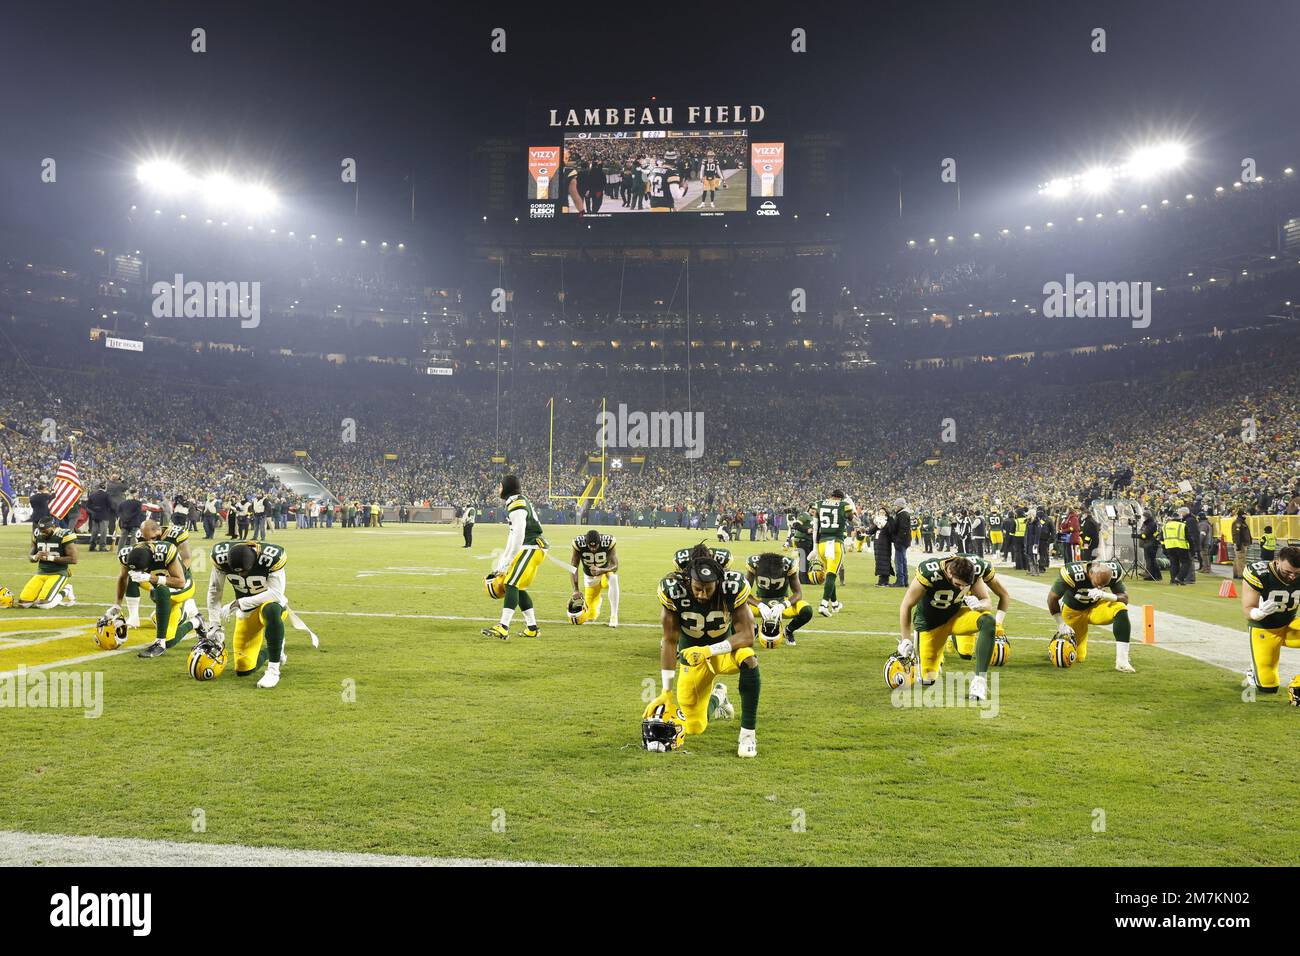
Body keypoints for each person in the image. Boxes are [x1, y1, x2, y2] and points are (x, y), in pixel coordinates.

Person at [643, 544, 760, 757]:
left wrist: (709, 650)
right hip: (693, 660)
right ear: (688, 581)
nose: (703, 594)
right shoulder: (673, 591)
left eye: (708, 589)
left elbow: (748, 636)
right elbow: (669, 641)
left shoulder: (732, 586)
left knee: (749, 660)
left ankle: (748, 735)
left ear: (718, 581)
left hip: (725, 651)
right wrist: (665, 691)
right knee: (695, 726)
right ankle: (718, 698)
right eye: (698, 588)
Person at [207, 540, 293, 689]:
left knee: (271, 609)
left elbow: (276, 594)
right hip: (246, 613)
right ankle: (276, 649)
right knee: (243, 668)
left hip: (270, 606)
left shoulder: (271, 557)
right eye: (237, 571)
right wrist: (214, 624)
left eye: (244, 571)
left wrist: (238, 603)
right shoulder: (221, 558)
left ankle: (273, 670)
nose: (241, 574)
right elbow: (215, 590)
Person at [481, 475, 547, 641]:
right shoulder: (514, 501)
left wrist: (508, 562)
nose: (499, 489)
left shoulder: (517, 504)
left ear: (508, 487)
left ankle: (503, 627)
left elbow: (519, 535)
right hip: (529, 547)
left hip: (531, 546)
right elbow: (512, 537)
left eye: (500, 486)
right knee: (518, 587)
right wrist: (503, 561)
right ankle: (532, 628)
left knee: (510, 582)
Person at [1047, 558, 1136, 672]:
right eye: (1098, 584)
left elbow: (1124, 598)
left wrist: (1104, 595)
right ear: (1090, 573)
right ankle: (1058, 643)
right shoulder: (1072, 573)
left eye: (1104, 584)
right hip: (1073, 612)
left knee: (1120, 609)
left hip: (1096, 607)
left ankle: (1122, 661)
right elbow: (1052, 598)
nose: (1100, 587)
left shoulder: (1113, 571)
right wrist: (1061, 623)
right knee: (1077, 657)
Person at [1241, 545, 1300, 704]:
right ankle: (1253, 672)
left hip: (1290, 624)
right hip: (1264, 628)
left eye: (1297, 573)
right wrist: (1258, 613)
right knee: (1268, 686)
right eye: (1288, 572)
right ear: (1277, 562)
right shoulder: (1260, 573)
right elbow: (1247, 608)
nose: (1292, 577)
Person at [12, 516, 77, 608]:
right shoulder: (37, 534)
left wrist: (50, 558)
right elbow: (31, 557)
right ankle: (43, 595)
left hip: (58, 572)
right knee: (23, 603)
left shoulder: (64, 534)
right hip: (41, 572)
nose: (43, 533)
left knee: (44, 605)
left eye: (45, 530)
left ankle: (67, 589)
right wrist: (35, 556)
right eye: (41, 530)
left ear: (53, 526)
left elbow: (73, 559)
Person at [568, 529, 620, 628]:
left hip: (605, 572)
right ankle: (597, 600)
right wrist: (575, 589)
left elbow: (615, 565)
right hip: (590, 578)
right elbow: (574, 566)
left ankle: (614, 615)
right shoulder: (578, 543)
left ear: (599, 542)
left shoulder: (608, 542)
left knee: (613, 578)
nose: (593, 549)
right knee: (590, 617)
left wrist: (601, 570)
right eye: (590, 546)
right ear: (586, 543)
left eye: (595, 546)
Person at [1162, 508, 1191, 586]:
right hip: (1181, 546)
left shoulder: (1165, 526)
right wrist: (1192, 547)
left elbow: (1162, 538)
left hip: (1169, 547)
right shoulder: (1182, 525)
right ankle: (1179, 578)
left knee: (1174, 564)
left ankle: (1173, 580)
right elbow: (1189, 537)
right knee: (1186, 563)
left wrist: (1163, 548)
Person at [891, 498, 912, 588]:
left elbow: (903, 530)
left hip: (901, 541)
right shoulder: (904, 514)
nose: (894, 507)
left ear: (899, 506)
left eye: (896, 505)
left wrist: (897, 541)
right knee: (903, 560)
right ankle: (905, 580)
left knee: (899, 561)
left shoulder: (902, 514)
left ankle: (900, 581)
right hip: (904, 541)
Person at [88, 482, 115, 552]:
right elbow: (110, 505)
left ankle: (92, 546)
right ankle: (102, 547)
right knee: (103, 532)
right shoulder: (106, 495)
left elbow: (88, 505)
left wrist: (95, 508)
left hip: (95, 515)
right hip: (104, 515)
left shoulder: (93, 494)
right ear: (105, 487)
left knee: (94, 532)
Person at [1138, 511, 1162, 581]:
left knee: (1150, 560)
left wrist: (1139, 535)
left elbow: (1146, 533)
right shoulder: (1149, 523)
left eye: (1144, 516)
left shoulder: (1151, 524)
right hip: (1148, 543)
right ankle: (1154, 575)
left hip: (1150, 543)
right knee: (1150, 560)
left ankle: (1151, 575)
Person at [1232, 512, 1252, 578]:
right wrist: (1238, 544)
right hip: (1241, 543)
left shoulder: (1241, 522)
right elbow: (1236, 534)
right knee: (1241, 559)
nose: (1245, 516)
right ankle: (1241, 574)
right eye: (1244, 514)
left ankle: (1236, 574)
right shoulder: (1238, 523)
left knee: (1237, 558)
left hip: (1241, 543)